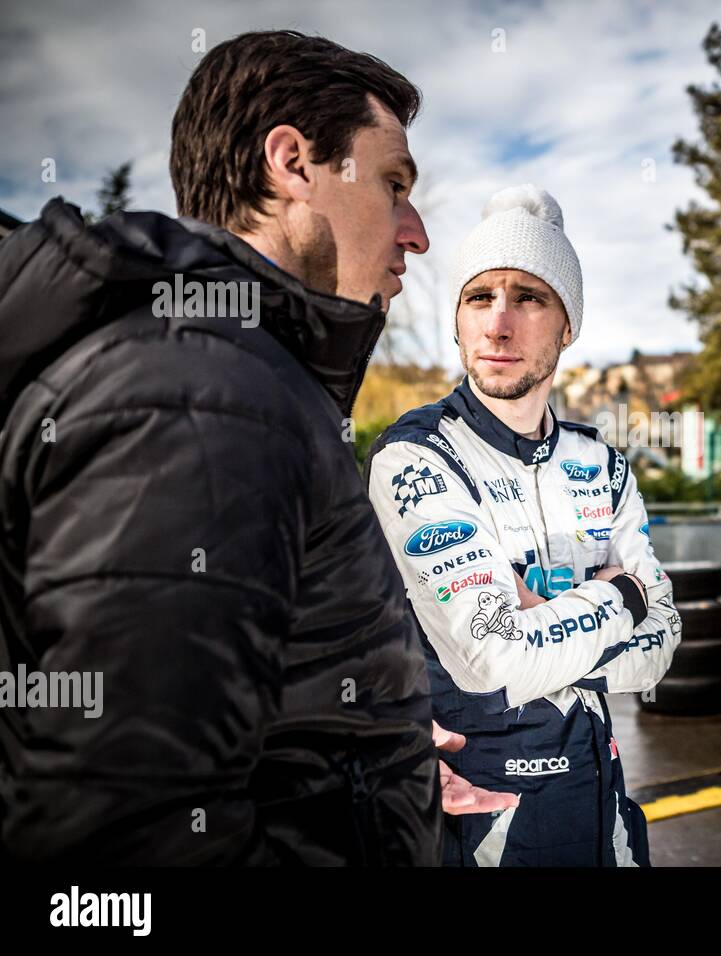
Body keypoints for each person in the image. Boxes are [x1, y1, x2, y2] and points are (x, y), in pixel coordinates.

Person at [0, 30, 513, 865]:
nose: (415, 233)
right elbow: (120, 841)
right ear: (293, 163)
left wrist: (373, 752)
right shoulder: (201, 392)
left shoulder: (242, 377)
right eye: (393, 184)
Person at [365, 184, 681, 866]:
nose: (498, 324)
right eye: (479, 298)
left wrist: (545, 619)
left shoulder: (601, 461)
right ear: (457, 320)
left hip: (606, 815)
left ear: (568, 325)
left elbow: (663, 646)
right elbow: (493, 658)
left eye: (528, 298)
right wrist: (619, 598)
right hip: (489, 822)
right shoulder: (417, 458)